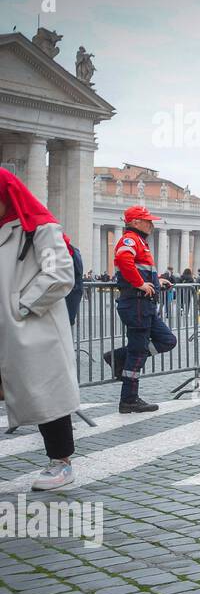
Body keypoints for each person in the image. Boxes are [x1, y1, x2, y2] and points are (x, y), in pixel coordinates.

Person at [0, 170, 79, 491]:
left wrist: (21, 306)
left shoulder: (41, 228)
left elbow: (60, 273)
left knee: (46, 392)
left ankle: (61, 462)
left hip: (31, 327)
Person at [104, 204, 176, 413]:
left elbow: (140, 268)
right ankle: (129, 399)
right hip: (136, 303)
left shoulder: (139, 241)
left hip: (143, 304)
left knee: (167, 340)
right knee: (137, 352)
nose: (151, 224)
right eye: (147, 220)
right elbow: (123, 261)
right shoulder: (130, 240)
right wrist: (139, 284)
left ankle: (117, 357)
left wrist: (157, 280)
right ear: (136, 222)